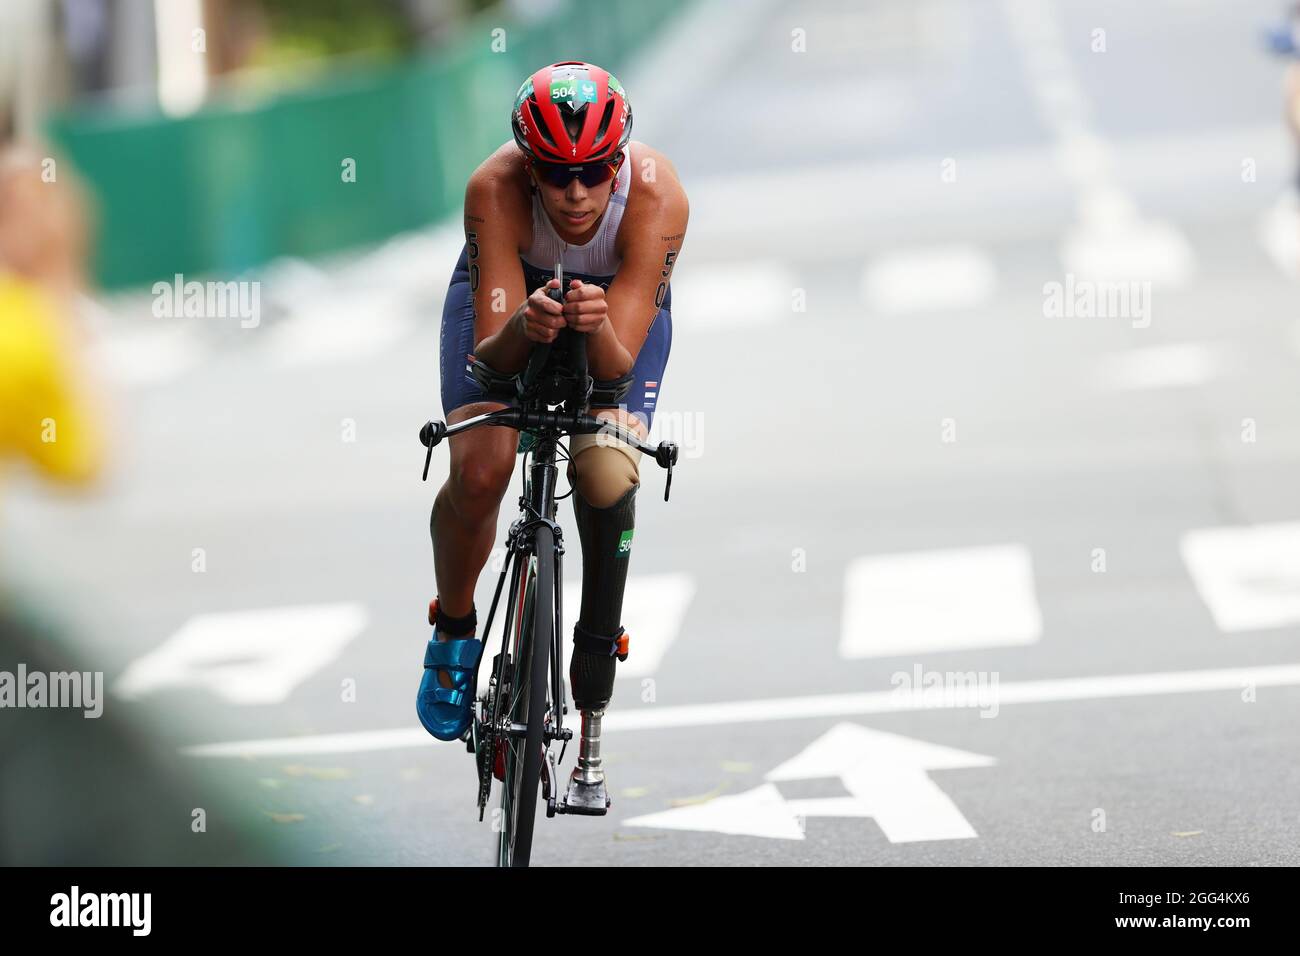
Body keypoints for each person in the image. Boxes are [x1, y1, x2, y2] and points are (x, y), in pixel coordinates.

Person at [416, 61, 689, 768]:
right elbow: (491, 362)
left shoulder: (659, 196)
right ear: (527, 164)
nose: (574, 193)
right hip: (514, 310)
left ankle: (594, 650)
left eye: (596, 171)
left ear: (620, 159)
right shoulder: (495, 189)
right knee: (483, 466)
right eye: (555, 172)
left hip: (614, 318)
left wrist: (592, 326)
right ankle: (453, 627)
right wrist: (525, 327)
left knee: (603, 473)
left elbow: (618, 366)